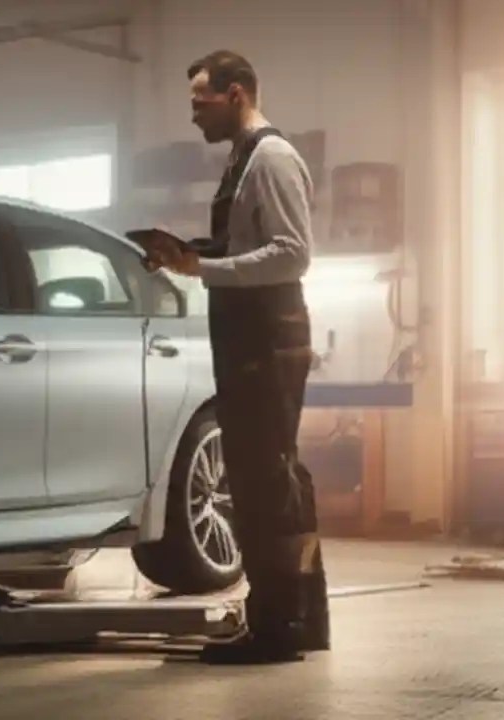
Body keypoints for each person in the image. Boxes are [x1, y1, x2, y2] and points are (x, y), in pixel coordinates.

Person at [145, 50, 330, 664]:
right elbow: (248, 246)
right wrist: (187, 254)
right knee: (275, 477)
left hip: (267, 338)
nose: (194, 112)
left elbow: (292, 254)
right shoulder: (242, 160)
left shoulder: (271, 158)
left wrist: (205, 268)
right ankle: (303, 620)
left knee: (261, 482)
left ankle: (275, 628)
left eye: (202, 100)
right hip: (254, 337)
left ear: (238, 93)